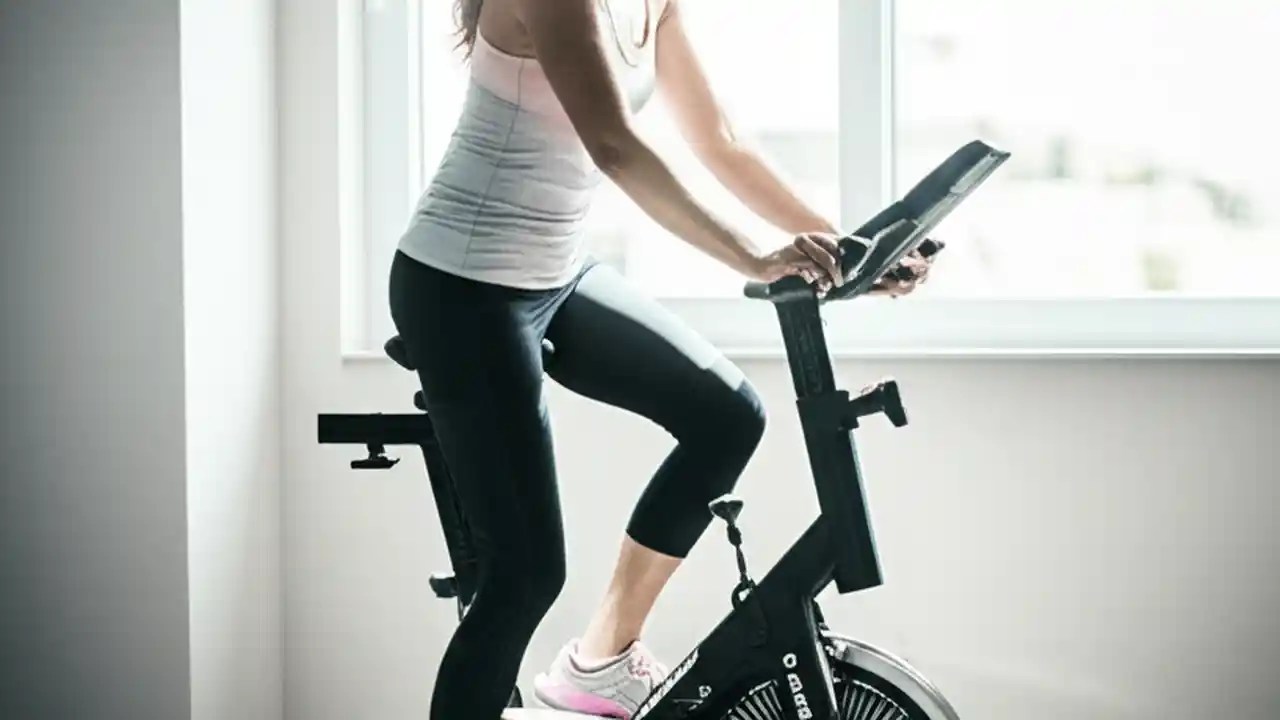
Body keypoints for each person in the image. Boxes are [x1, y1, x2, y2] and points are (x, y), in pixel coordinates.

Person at [388, 0, 934, 717]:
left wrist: (841, 247)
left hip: (555, 275)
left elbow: (722, 141)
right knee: (523, 575)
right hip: (463, 287)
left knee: (726, 416)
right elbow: (614, 144)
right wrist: (754, 257)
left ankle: (601, 658)